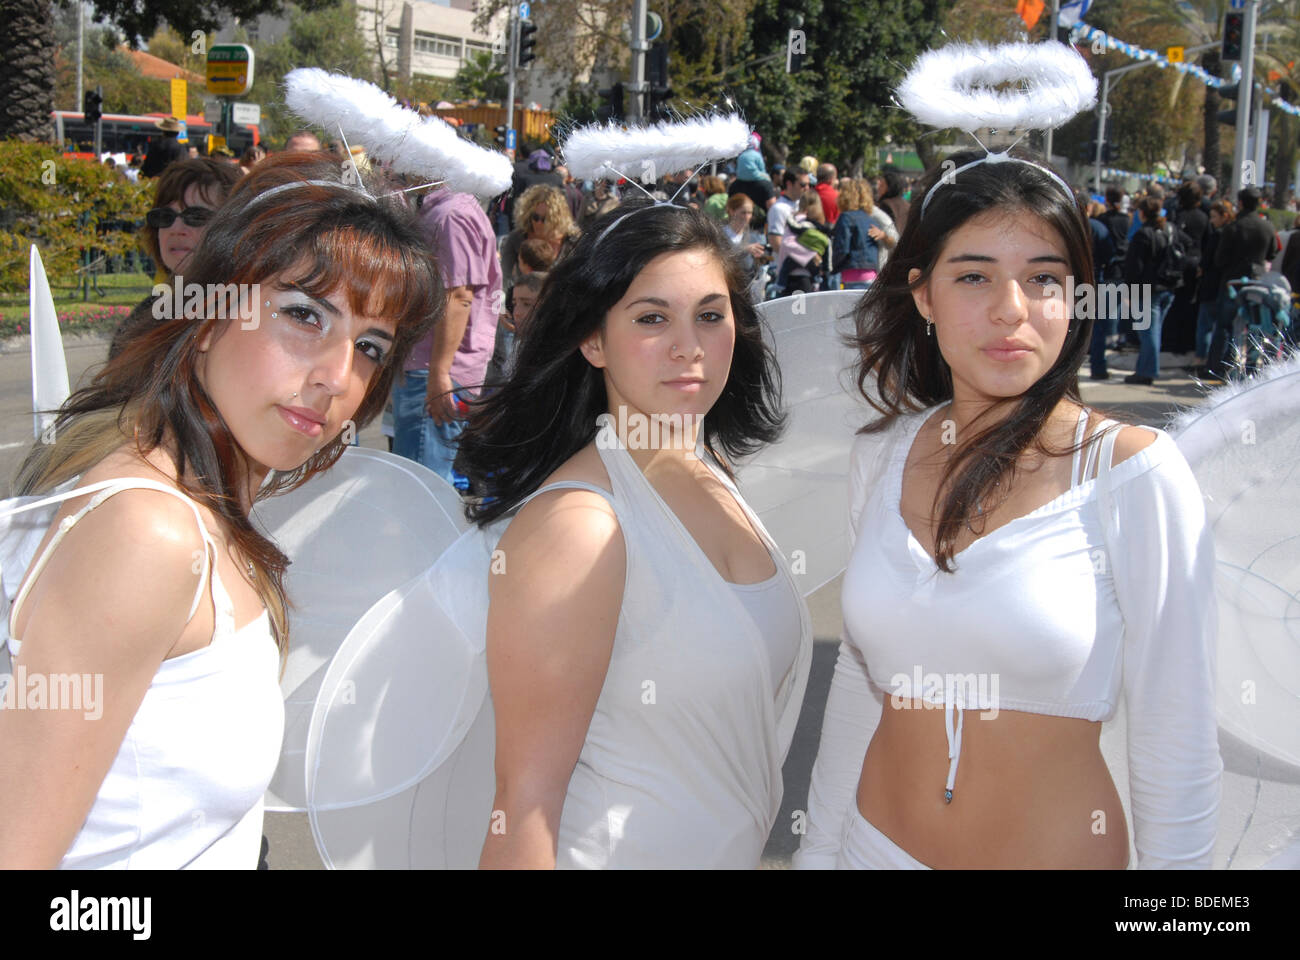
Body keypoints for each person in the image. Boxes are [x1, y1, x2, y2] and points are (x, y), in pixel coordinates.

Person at [0, 152, 443, 868]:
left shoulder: (209, 509)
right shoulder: (148, 531)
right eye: (304, 315)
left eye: (369, 348)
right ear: (206, 317)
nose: (337, 377)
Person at [795, 150, 1219, 869]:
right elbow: (859, 682)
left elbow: (1176, 736)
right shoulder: (882, 454)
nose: (1010, 309)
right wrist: (818, 858)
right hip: (872, 851)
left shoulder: (1134, 475)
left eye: (1043, 279)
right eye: (974, 276)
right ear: (923, 295)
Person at [455, 200, 811, 868]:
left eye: (710, 315)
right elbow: (523, 803)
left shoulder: (711, 469)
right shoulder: (581, 526)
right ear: (593, 339)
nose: (689, 345)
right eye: (652, 318)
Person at [391, 186, 502, 486]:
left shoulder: (450, 214)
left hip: (434, 372)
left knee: (418, 487)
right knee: (418, 484)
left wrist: (440, 373)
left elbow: (458, 296)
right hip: (430, 369)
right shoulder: (445, 209)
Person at [108, 158, 244, 358]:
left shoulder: (249, 318)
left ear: (236, 226)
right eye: (165, 217)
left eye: (196, 217)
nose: (176, 229)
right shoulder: (145, 317)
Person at [1121, 196, 1180, 385]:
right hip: (1167, 286)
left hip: (1148, 290)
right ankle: (1144, 369)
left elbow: (1134, 267)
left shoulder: (1143, 234)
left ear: (1142, 213)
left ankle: (1147, 372)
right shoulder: (1169, 230)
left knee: (1148, 334)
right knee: (1153, 332)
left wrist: (1129, 289)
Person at [497, 184, 580, 298]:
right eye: (535, 217)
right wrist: (500, 307)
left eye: (544, 219)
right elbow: (503, 277)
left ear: (556, 218)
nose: (539, 223)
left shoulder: (571, 241)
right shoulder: (517, 238)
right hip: (524, 302)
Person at [832, 179, 888, 290]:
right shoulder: (869, 219)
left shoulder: (846, 218)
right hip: (872, 274)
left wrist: (833, 267)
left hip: (852, 275)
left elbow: (842, 249)